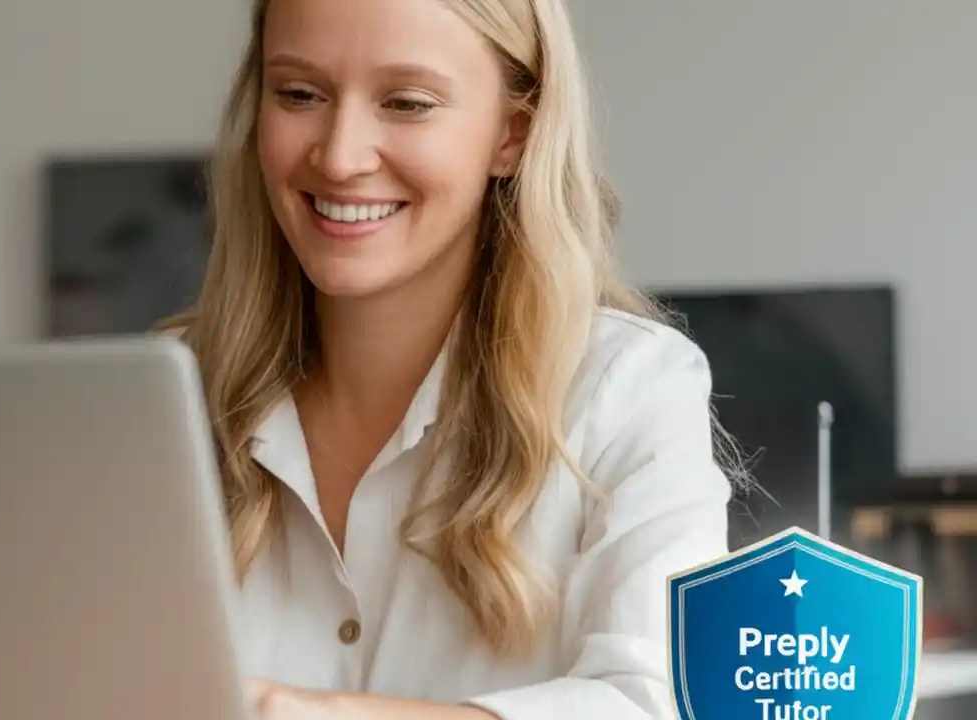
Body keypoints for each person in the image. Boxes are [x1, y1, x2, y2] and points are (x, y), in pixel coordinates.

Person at [165, 0, 736, 717]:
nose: (340, 156)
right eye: (299, 94)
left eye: (407, 103)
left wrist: (318, 714)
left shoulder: (626, 388)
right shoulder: (158, 399)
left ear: (512, 134)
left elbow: (660, 702)